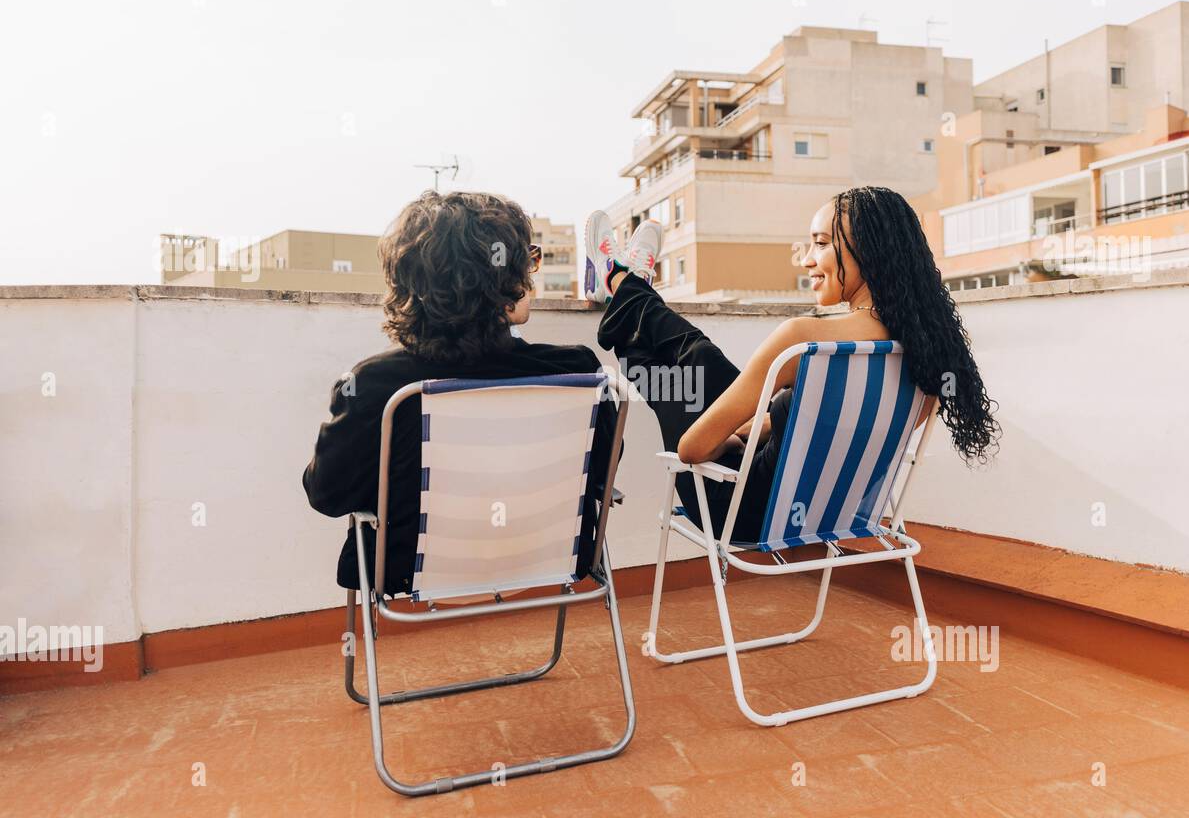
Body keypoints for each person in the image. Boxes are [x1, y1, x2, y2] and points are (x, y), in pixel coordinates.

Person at [585, 184, 999, 542]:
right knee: (699, 356)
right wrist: (755, 430)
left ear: (869, 253)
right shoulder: (931, 355)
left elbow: (692, 451)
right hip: (828, 513)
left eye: (821, 244)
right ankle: (628, 286)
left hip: (739, 512)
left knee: (660, 371)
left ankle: (619, 282)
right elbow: (839, 433)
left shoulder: (803, 340)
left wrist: (729, 440)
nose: (806, 260)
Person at [303, 190, 619, 598]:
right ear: (504, 281)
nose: (532, 274)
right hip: (553, 559)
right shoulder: (578, 371)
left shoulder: (375, 385)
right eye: (528, 259)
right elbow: (603, 472)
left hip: (405, 569)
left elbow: (328, 496)